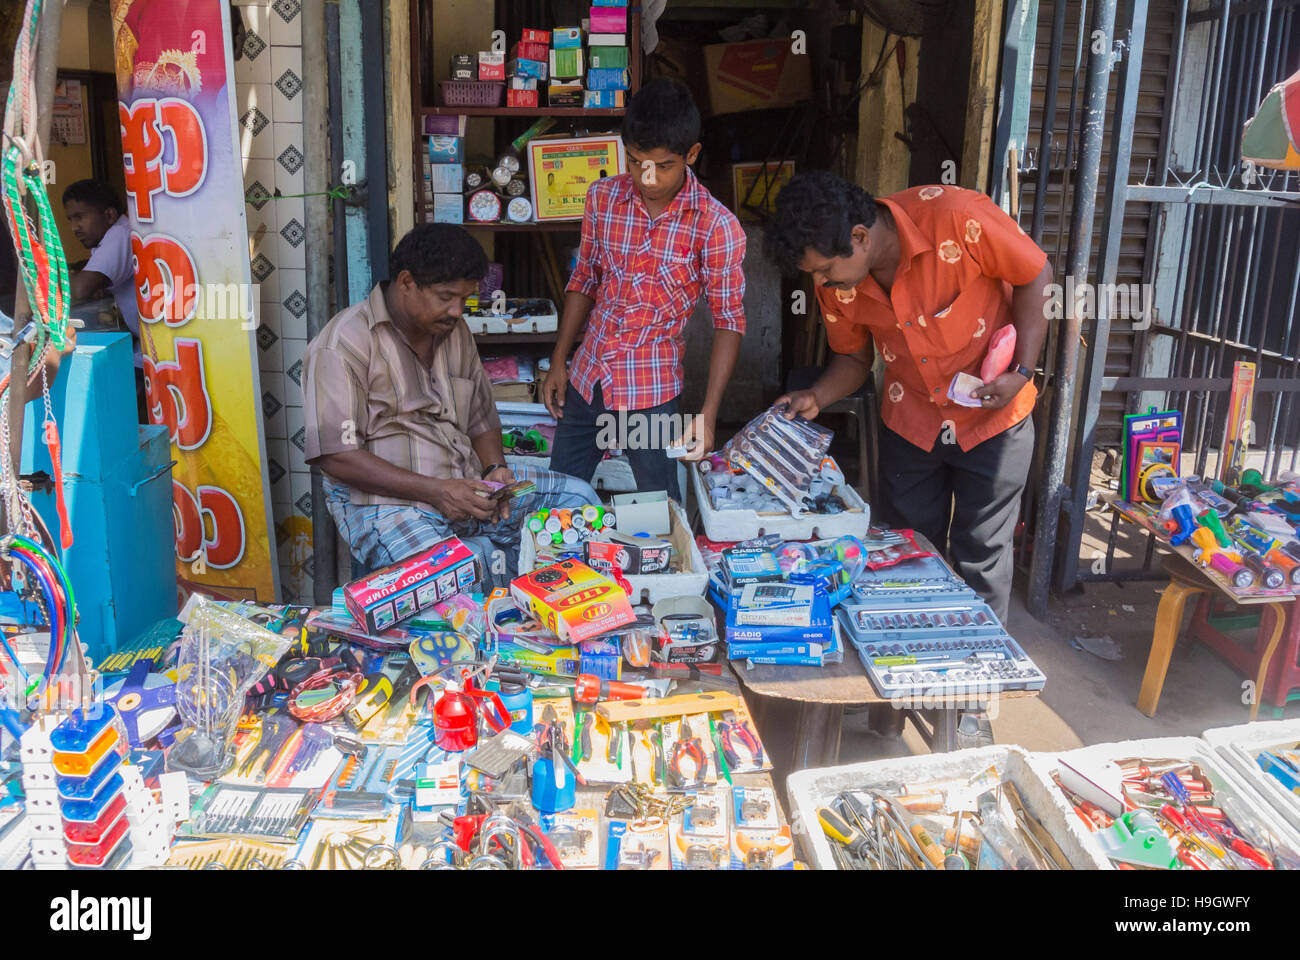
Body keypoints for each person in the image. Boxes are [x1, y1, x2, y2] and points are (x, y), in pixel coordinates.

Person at [764, 171, 1053, 625]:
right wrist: (816, 395)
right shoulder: (839, 285)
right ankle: (913, 678)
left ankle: (974, 683)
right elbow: (854, 359)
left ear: (859, 237)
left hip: (993, 419)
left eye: (823, 269)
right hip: (911, 423)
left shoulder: (957, 218)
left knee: (982, 557)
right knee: (905, 558)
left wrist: (1022, 371)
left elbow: (1036, 274)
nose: (820, 282)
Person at [304, 224, 599, 585]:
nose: (458, 310)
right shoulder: (343, 344)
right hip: (388, 505)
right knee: (453, 578)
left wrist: (493, 469)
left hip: (467, 486)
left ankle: (542, 615)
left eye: (465, 298)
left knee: (579, 502)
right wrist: (437, 491)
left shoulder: (453, 331)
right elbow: (337, 456)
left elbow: (480, 414)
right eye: (446, 297)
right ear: (407, 282)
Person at [541, 77, 747, 500]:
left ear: (691, 155)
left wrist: (708, 415)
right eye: (635, 162)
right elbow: (585, 279)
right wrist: (560, 358)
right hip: (588, 378)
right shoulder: (602, 197)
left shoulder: (715, 225)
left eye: (663, 165)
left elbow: (729, 322)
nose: (647, 177)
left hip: (650, 391)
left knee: (659, 506)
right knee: (560, 498)